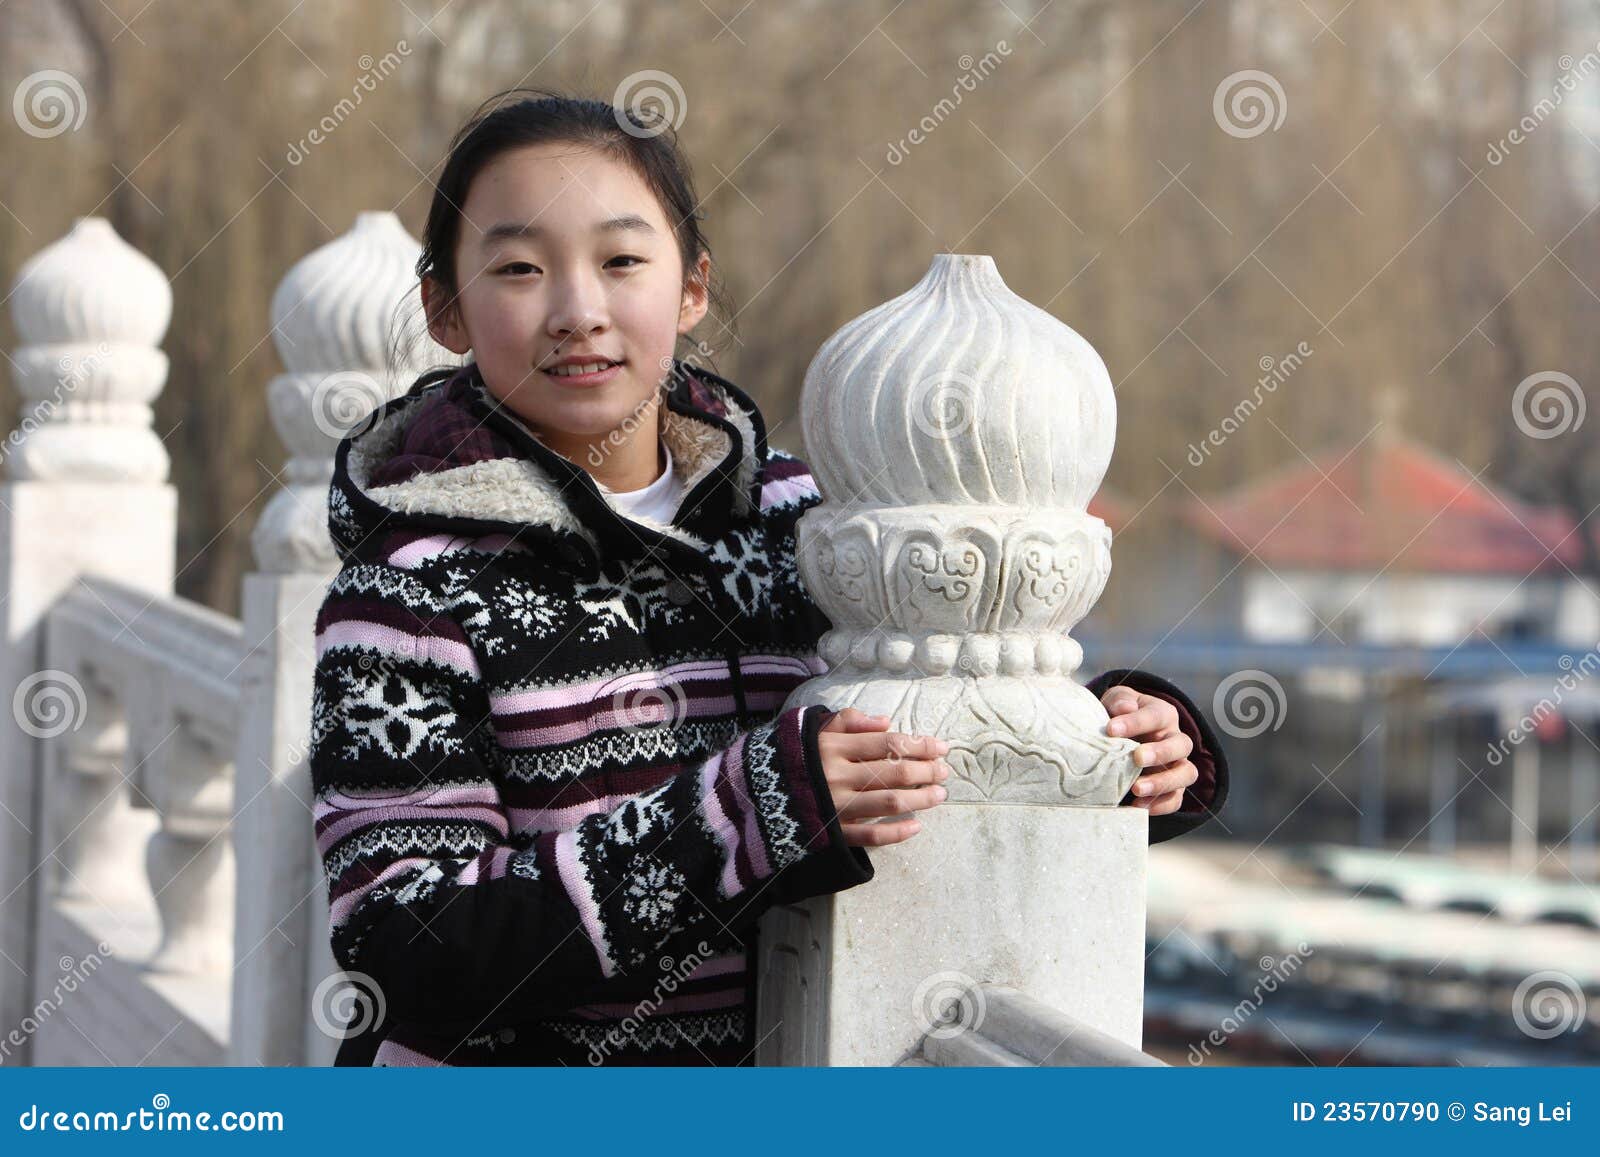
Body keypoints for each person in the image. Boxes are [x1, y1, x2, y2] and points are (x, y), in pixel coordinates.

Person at [308, 88, 1229, 1066]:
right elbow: (403, 942)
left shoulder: (811, 521)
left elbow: (920, 742)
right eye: (520, 268)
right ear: (445, 309)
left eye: (622, 260)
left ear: (691, 286)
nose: (579, 311)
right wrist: (742, 813)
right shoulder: (411, 588)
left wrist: (1118, 749)